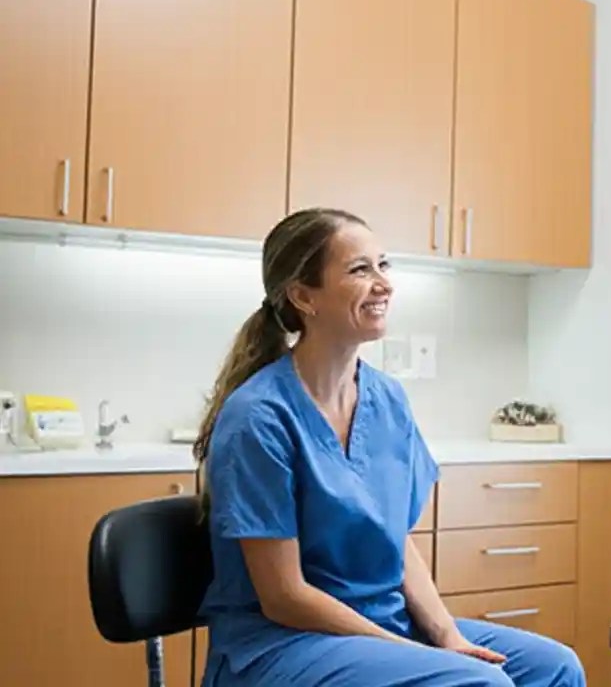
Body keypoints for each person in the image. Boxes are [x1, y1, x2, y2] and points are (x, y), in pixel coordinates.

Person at [192, 208, 586, 686]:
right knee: (481, 685)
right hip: (283, 644)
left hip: (382, 628)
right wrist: (415, 653)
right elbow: (285, 597)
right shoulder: (259, 416)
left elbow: (396, 540)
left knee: (556, 667)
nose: (383, 284)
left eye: (384, 265)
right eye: (360, 270)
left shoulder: (387, 399)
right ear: (302, 295)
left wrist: (445, 638)